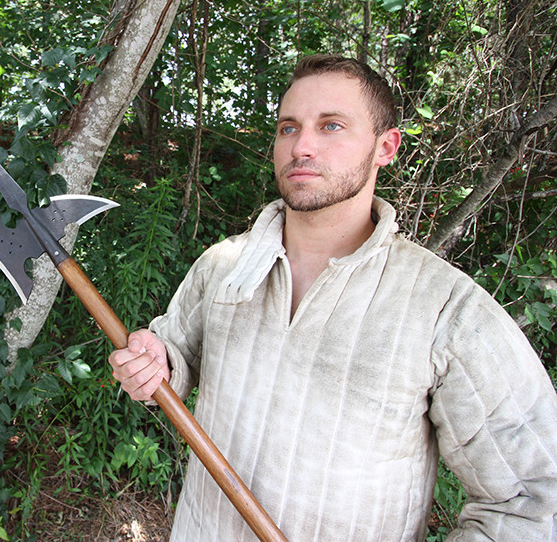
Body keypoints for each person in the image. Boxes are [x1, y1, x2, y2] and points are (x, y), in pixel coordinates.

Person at [109, 54, 557, 541]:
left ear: (385, 147)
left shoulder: (445, 309)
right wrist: (157, 364)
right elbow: (173, 353)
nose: (302, 146)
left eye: (331, 126)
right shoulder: (224, 265)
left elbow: (533, 497)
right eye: (288, 128)